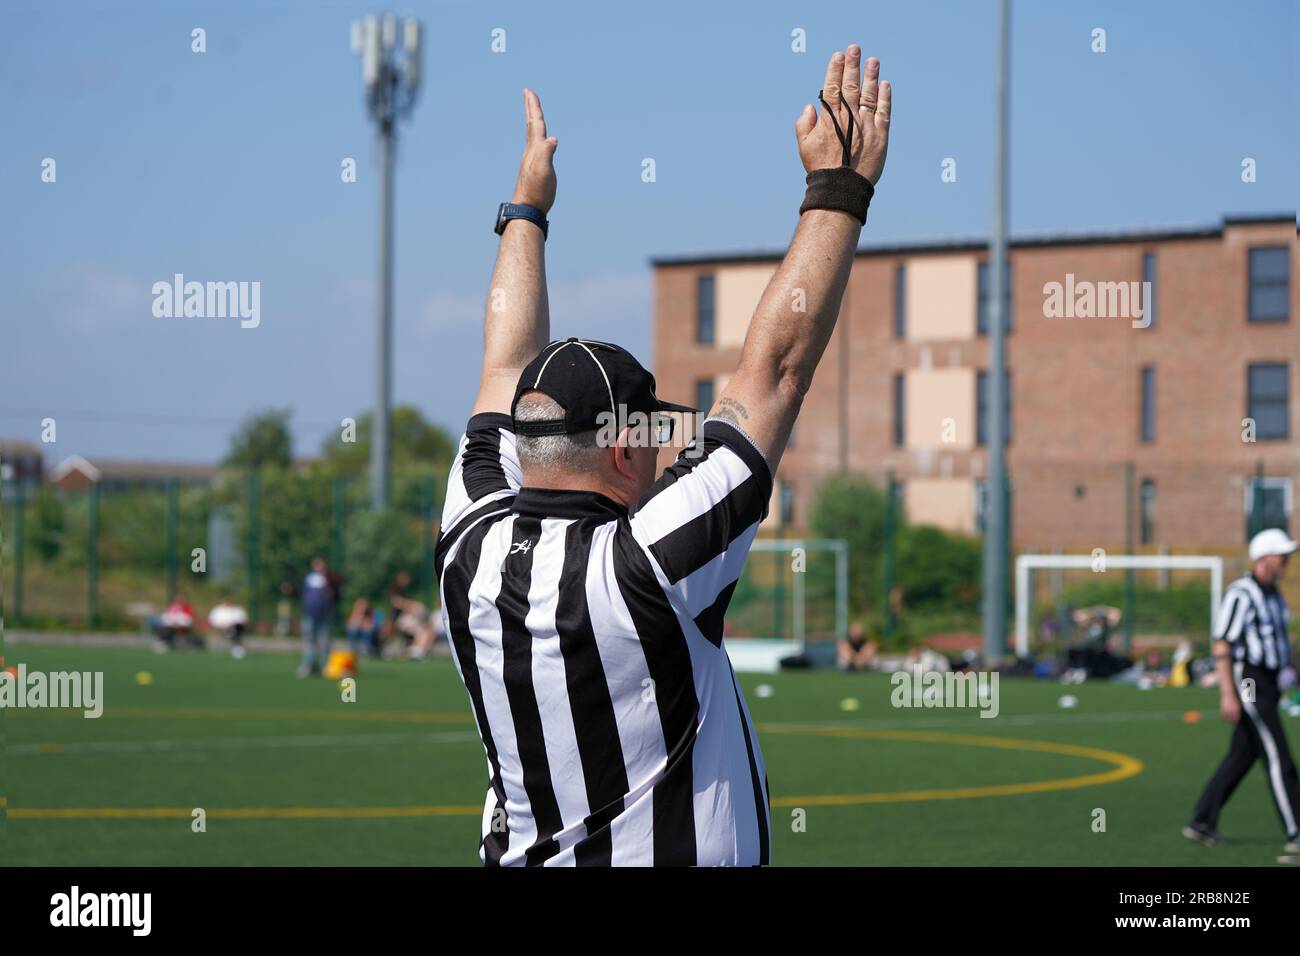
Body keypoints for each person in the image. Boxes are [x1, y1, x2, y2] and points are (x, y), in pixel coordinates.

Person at [435, 45, 891, 866]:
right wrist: (839, 192)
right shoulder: (651, 562)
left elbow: (503, 369)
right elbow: (777, 372)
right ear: (619, 449)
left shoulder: (469, 541)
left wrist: (524, 212)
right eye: (647, 432)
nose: (657, 449)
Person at [1185, 528, 1300, 860]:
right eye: (1282, 555)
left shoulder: (1275, 596)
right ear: (1264, 558)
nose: (1287, 561)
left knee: (1243, 754)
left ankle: (1202, 819)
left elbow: (1278, 644)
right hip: (1249, 680)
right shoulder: (1242, 593)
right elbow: (1223, 643)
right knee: (1278, 755)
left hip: (1269, 681)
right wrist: (1228, 694)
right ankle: (1296, 830)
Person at [298, 556, 335, 677]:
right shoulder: (308, 578)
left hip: (324, 614)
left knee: (325, 641)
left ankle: (327, 666)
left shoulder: (329, 578)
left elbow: (335, 593)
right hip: (309, 613)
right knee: (309, 641)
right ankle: (310, 665)